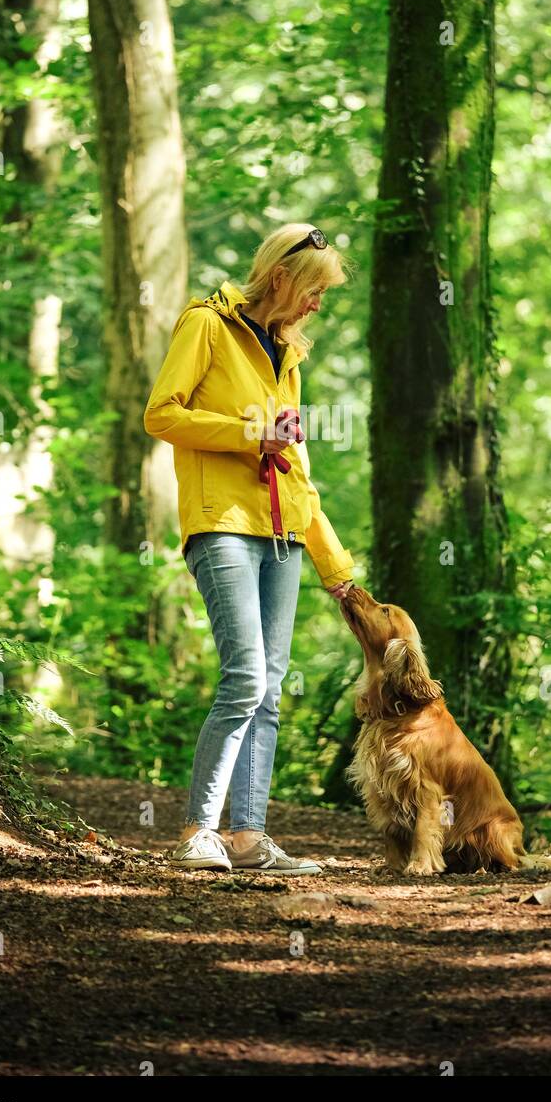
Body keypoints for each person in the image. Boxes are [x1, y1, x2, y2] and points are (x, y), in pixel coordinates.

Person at [144, 223, 355, 873]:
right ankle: (197, 833)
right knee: (245, 676)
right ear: (282, 277)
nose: (319, 302)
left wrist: (338, 569)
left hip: (284, 535)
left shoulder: (288, 356)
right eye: (315, 289)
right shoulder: (205, 325)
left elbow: (296, 468)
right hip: (223, 524)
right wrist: (246, 432)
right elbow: (162, 414)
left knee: (270, 689)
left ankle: (248, 836)